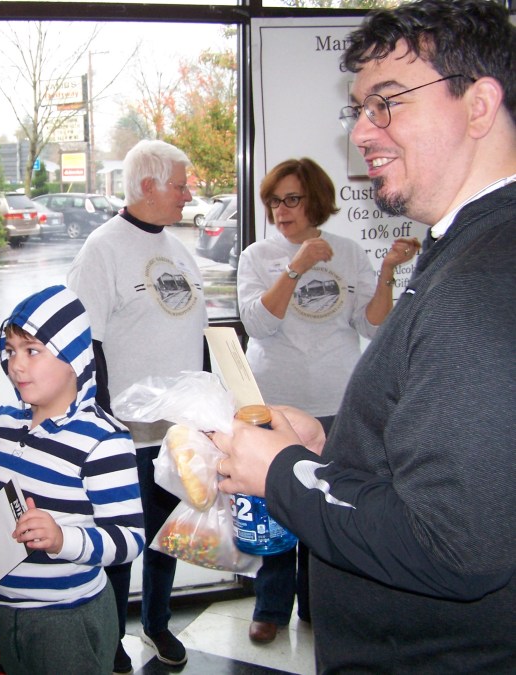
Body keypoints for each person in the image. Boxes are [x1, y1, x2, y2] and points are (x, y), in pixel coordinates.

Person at [212, 0, 516, 671]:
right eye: (358, 110)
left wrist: (283, 471)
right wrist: (330, 450)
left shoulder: (486, 276)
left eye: (388, 103)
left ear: (478, 106)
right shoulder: (466, 249)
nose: (362, 134)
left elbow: (453, 544)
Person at [236, 157, 419, 644]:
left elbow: (372, 324)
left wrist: (385, 273)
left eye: (291, 199)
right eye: (274, 201)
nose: (280, 209)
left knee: (329, 506)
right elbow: (258, 324)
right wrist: (296, 266)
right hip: (276, 401)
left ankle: (319, 604)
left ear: (315, 200)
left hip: (339, 400)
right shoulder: (257, 255)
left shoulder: (347, 251)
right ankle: (271, 606)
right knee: (275, 505)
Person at [67, 139, 208, 672]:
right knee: (123, 542)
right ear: (147, 186)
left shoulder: (177, 248)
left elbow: (196, 334)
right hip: (125, 437)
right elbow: (86, 345)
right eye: (180, 184)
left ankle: (156, 623)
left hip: (177, 435)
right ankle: (112, 638)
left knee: (167, 539)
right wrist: (101, 430)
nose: (188, 193)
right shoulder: (103, 249)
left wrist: (207, 414)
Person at [0, 285, 145, 675]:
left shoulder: (103, 440)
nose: (16, 365)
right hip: (4, 607)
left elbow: (128, 539)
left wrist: (62, 539)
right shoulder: (5, 421)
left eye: (33, 350)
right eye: (10, 351)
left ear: (73, 357)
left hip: (68, 616)